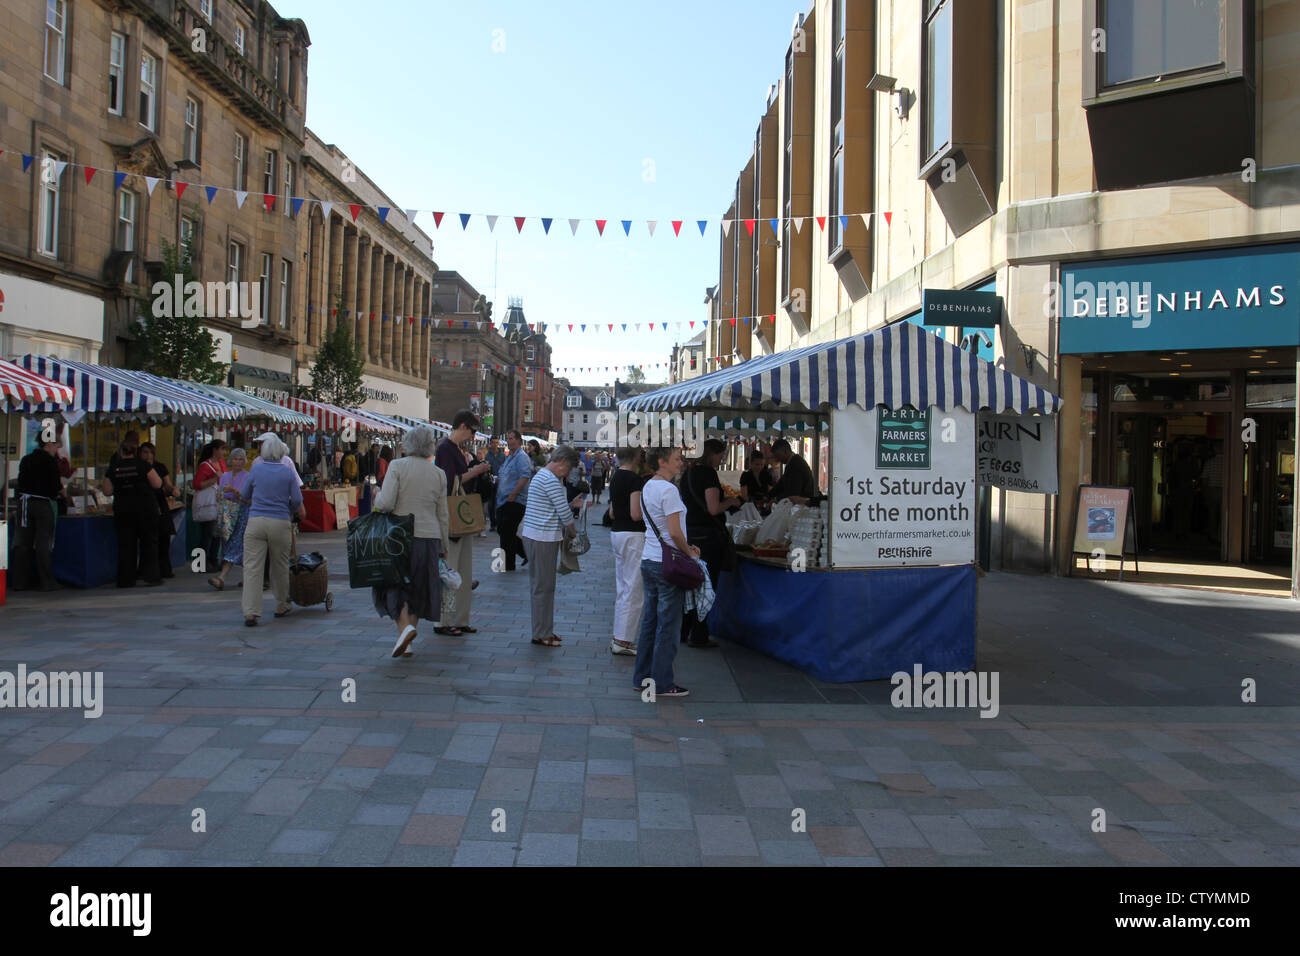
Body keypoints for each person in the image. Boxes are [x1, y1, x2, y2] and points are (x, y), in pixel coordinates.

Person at [371, 424, 452, 658]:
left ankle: (404, 630)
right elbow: (443, 514)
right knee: (419, 589)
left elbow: (385, 504)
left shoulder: (397, 466)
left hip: (399, 537)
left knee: (394, 586)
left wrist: (376, 496)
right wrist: (444, 547)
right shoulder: (438, 473)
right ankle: (408, 640)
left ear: (407, 444)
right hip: (429, 537)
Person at [634, 447, 699, 697]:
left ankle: (642, 677)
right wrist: (689, 552)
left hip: (649, 559)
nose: (681, 463)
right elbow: (673, 532)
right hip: (667, 564)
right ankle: (662, 682)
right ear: (662, 462)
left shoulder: (649, 486)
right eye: (677, 459)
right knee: (668, 625)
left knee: (650, 622)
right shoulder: (669, 490)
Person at [679, 438, 742, 648]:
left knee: (690, 584)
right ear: (711, 454)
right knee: (706, 586)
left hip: (689, 534)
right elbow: (713, 508)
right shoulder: (708, 474)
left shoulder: (687, 474)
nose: (722, 458)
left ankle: (683, 630)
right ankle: (699, 634)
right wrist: (732, 502)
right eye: (720, 454)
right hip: (708, 537)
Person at [434, 410, 491, 636]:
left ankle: (460, 617)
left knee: (464, 571)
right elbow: (449, 483)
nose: (473, 436)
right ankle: (444, 621)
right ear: (462, 427)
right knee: (451, 571)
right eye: (473, 431)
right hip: (452, 515)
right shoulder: (445, 449)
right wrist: (476, 471)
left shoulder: (456, 449)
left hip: (461, 514)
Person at [238, 435, 304, 626]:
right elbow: (297, 500)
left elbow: (244, 494)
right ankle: (281, 604)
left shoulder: (256, 468)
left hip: (256, 521)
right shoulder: (288, 472)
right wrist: (288, 508)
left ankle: (250, 612)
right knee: (280, 565)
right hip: (280, 521)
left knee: (252, 568)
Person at [520, 445, 581, 647]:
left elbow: (557, 508)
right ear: (562, 462)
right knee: (543, 587)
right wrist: (575, 535)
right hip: (542, 538)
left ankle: (544, 629)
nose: (568, 472)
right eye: (569, 468)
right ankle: (541, 633)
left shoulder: (543, 477)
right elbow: (565, 515)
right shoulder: (550, 480)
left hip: (538, 536)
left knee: (544, 586)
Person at [102, 439, 163, 588]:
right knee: (149, 543)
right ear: (136, 453)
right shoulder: (143, 466)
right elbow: (157, 483)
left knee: (126, 545)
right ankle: (151, 576)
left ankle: (126, 579)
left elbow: (107, 491)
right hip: (145, 509)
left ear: (121, 452)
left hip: (123, 510)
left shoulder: (113, 468)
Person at [12, 438, 65, 591]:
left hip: (24, 502)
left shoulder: (26, 459)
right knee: (43, 543)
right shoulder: (50, 462)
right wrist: (65, 496)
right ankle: (46, 581)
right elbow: (56, 486)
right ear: (48, 444)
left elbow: (20, 481)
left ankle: (19, 582)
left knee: (23, 543)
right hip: (42, 504)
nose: (57, 450)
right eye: (56, 446)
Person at [608, 447, 646, 656]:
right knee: (634, 589)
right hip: (633, 535)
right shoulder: (634, 480)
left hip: (617, 533)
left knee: (623, 587)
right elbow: (635, 514)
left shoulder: (615, 477)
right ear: (636, 457)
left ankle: (619, 636)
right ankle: (624, 640)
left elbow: (613, 511)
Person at [208, 447, 252, 590]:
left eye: (241, 459)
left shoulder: (247, 476)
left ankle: (222, 577)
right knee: (228, 544)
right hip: (227, 516)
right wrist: (220, 495)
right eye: (235, 459)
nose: (238, 462)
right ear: (230, 460)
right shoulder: (225, 476)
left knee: (237, 544)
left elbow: (248, 499)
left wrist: (234, 491)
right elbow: (220, 494)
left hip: (241, 514)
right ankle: (248, 578)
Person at [139, 442, 179, 579]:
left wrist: (172, 489)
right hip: (144, 506)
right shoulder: (138, 467)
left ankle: (164, 569)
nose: (148, 455)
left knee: (164, 539)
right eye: (145, 452)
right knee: (148, 541)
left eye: (150, 452)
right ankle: (146, 571)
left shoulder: (159, 467)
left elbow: (167, 484)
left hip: (160, 504)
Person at [496, 430, 533, 571]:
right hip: (504, 500)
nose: (509, 441)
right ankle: (525, 553)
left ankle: (508, 564)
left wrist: (514, 493)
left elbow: (525, 476)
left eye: (512, 438)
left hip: (515, 500)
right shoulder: (510, 457)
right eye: (508, 438)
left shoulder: (521, 457)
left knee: (507, 532)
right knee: (504, 531)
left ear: (518, 440)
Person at [193, 440, 227, 570]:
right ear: (215, 450)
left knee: (216, 535)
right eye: (222, 449)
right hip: (209, 503)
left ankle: (213, 560)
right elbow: (197, 484)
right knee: (207, 535)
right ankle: (201, 564)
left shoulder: (222, 464)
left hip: (218, 503)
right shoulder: (205, 466)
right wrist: (214, 478)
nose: (224, 452)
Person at [770, 438, 816, 505]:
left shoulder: (796, 464)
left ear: (785, 451)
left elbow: (793, 491)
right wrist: (769, 495)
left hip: (803, 504)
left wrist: (776, 499)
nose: (777, 459)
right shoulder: (791, 462)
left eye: (778, 456)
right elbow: (781, 483)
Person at [486, 437, 505, 532]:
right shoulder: (487, 455)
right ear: (490, 443)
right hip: (490, 481)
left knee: (499, 502)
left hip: (500, 481)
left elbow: (505, 467)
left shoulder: (502, 455)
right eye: (493, 442)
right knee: (491, 503)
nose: (495, 444)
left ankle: (498, 522)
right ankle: (493, 523)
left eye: (496, 442)